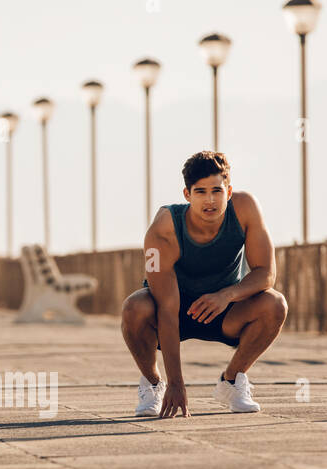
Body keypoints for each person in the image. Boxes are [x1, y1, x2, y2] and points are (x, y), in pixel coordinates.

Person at [121, 151, 287, 418]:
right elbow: (166, 307)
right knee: (134, 307)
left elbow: (266, 273)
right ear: (187, 194)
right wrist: (176, 384)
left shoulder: (245, 208)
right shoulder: (164, 228)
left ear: (229, 191)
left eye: (216, 191)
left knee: (275, 303)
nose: (210, 200)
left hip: (225, 310)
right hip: (171, 311)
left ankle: (231, 381)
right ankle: (153, 384)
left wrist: (227, 295)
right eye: (200, 192)